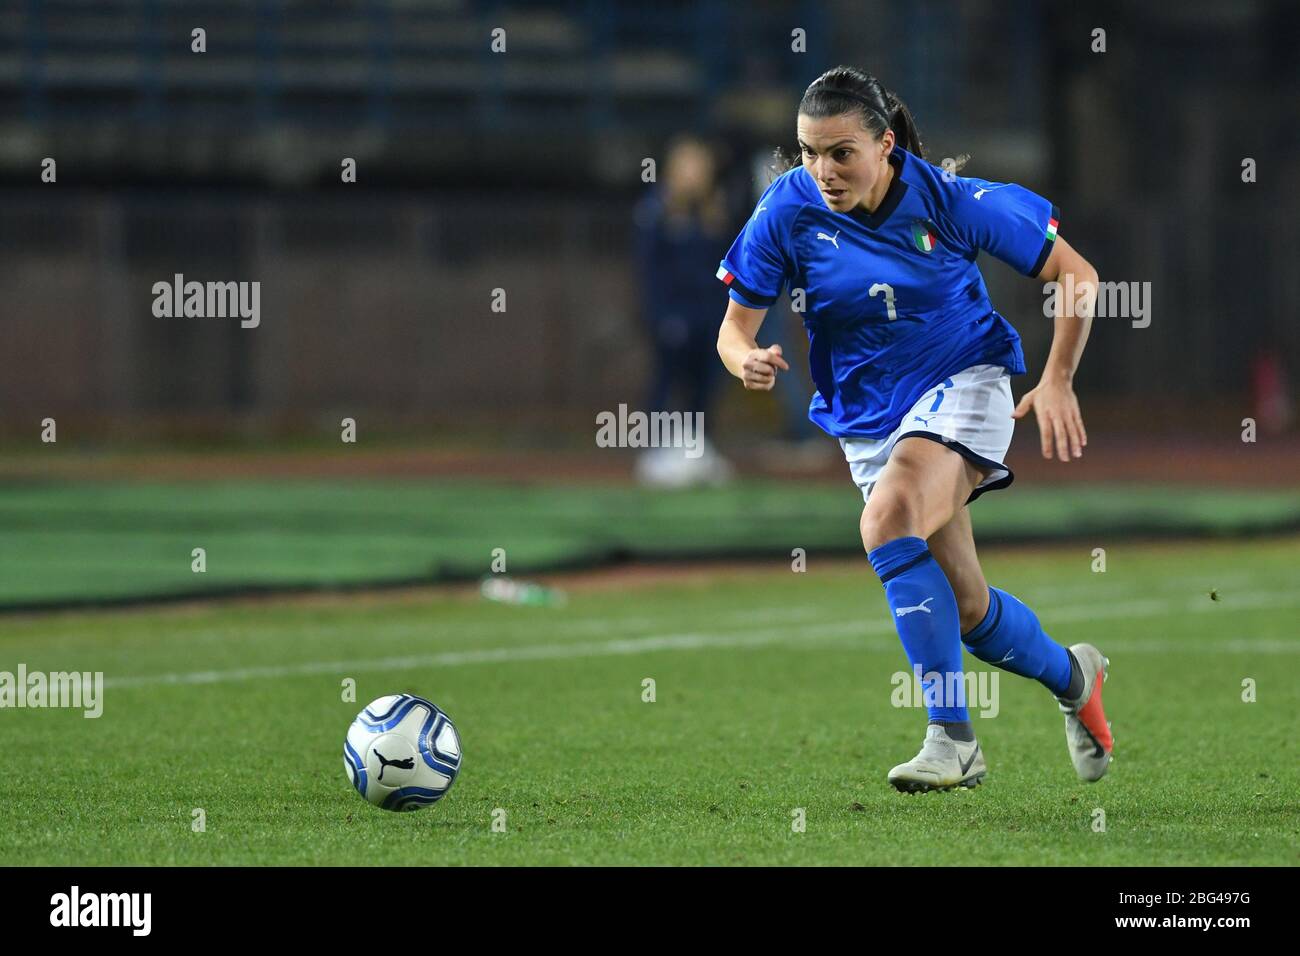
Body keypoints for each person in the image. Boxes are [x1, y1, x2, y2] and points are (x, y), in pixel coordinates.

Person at [714, 66, 1112, 792]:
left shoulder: (949, 199)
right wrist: (748, 360)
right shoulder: (787, 208)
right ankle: (1074, 677)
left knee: (887, 517)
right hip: (868, 418)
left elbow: (1077, 275)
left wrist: (1056, 378)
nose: (822, 171)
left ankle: (951, 738)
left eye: (840, 153)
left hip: (962, 380)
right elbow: (732, 331)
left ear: (885, 144)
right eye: (807, 152)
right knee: (966, 608)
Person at [632, 134, 734, 487]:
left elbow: (726, 266)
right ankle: (656, 452)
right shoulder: (655, 211)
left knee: (705, 383)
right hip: (672, 314)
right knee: (667, 380)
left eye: (699, 166)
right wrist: (658, 315)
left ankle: (698, 448)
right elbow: (649, 271)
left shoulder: (716, 212)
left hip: (709, 313)